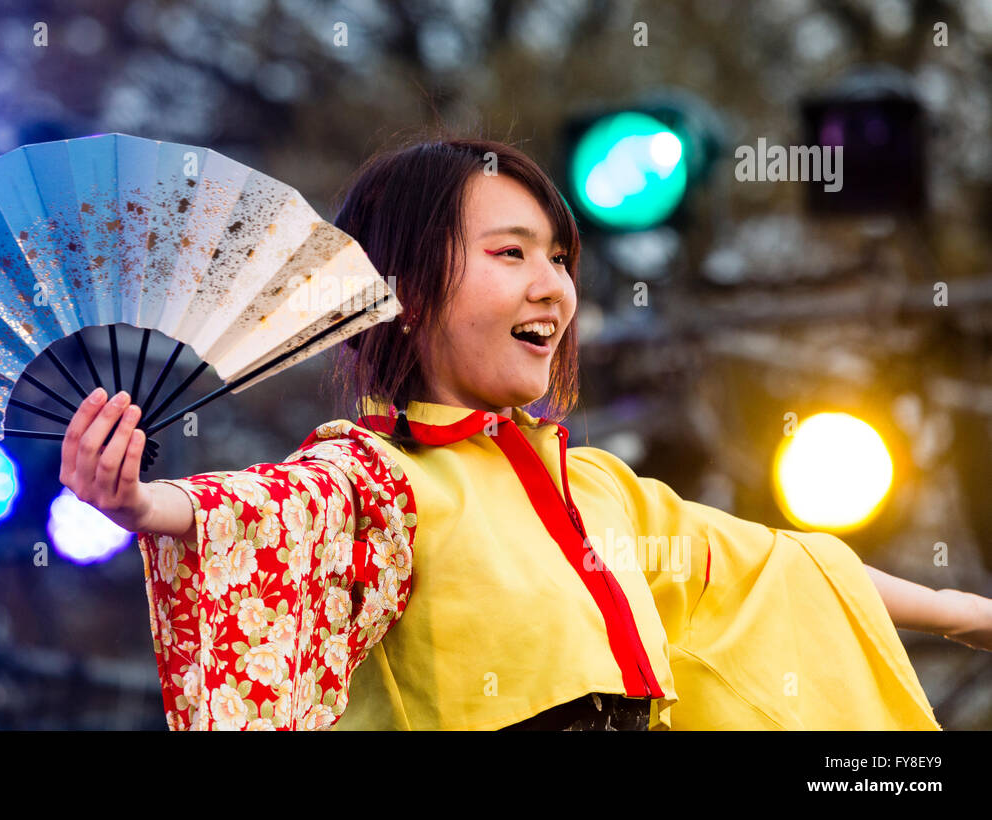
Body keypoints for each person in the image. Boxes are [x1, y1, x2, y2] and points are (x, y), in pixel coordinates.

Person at [59, 137, 992, 730]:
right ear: (407, 287)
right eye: (510, 253)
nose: (555, 285)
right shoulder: (380, 479)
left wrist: (971, 615)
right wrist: (145, 502)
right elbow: (267, 509)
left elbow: (791, 568)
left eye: (559, 256)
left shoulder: (600, 491)